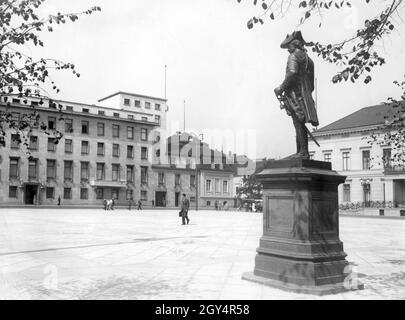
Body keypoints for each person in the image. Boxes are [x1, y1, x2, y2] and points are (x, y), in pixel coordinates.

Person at [274, 31, 319, 159]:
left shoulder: (293, 56)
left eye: (289, 47)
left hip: (295, 95)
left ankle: (303, 152)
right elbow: (311, 84)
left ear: (294, 45)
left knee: (298, 123)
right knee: (300, 122)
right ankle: (301, 151)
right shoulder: (309, 60)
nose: (288, 50)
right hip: (305, 96)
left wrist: (281, 87)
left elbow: (292, 73)